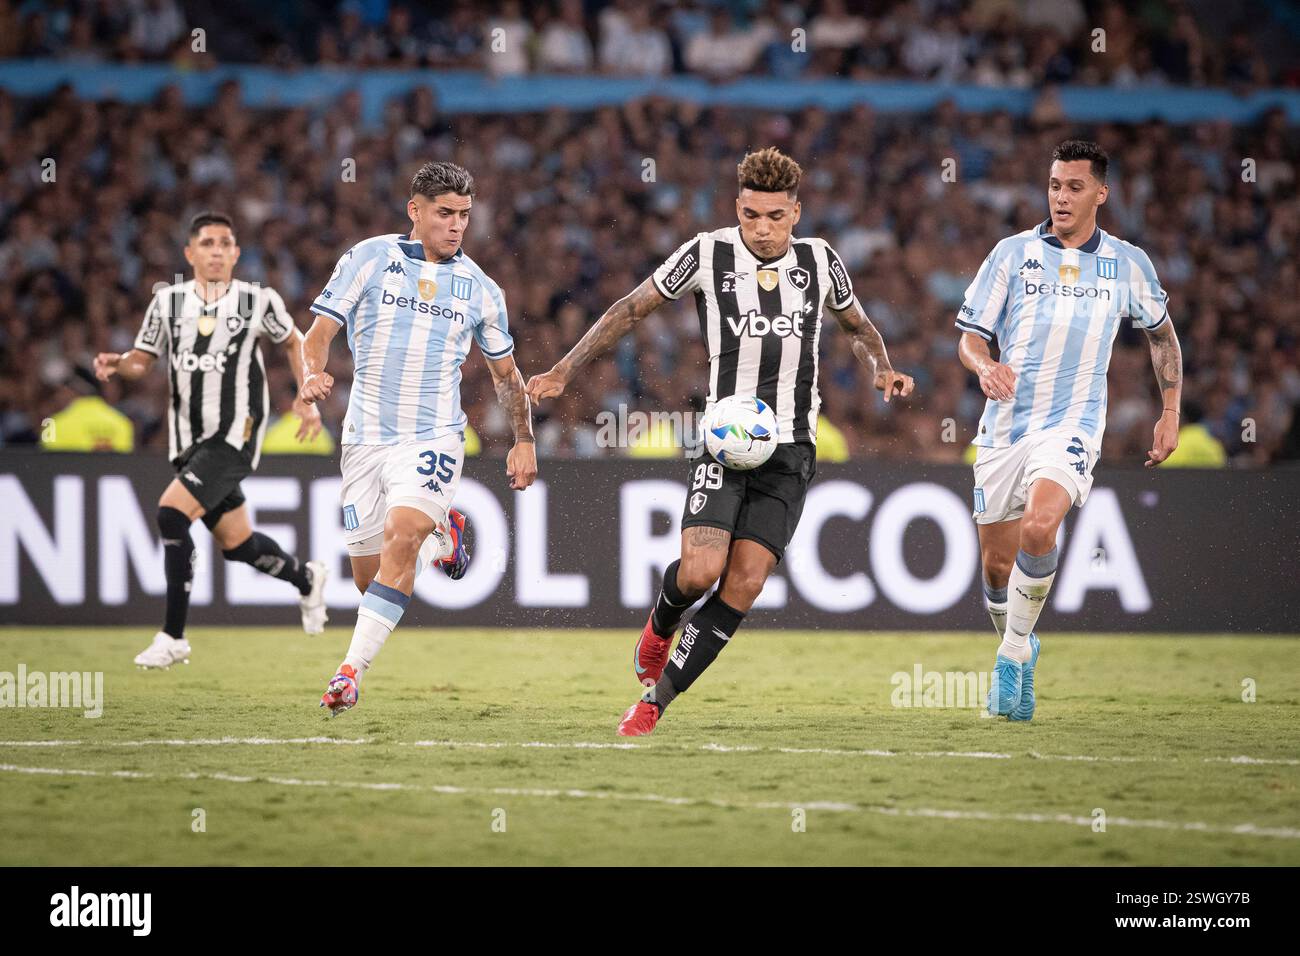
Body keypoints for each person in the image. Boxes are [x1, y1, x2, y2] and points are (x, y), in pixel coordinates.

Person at [527, 147, 914, 736]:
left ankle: (654, 703)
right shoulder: (708, 253)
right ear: (738, 208)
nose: (762, 229)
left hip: (790, 449)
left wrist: (882, 367)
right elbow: (632, 309)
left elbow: (858, 327)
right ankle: (661, 622)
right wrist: (563, 369)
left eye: (776, 217)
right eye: (752, 215)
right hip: (726, 443)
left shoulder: (821, 262)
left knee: (747, 581)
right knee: (701, 570)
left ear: (797, 214)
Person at [301, 160, 538, 716]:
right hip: (364, 440)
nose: (456, 225)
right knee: (371, 578)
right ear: (415, 210)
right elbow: (319, 333)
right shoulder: (368, 258)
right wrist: (312, 373)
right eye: (444, 213)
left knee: (401, 536)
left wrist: (523, 438)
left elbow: (505, 375)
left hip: (432, 435)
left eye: (464, 215)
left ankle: (348, 675)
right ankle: (444, 537)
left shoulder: (481, 289)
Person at [956, 140, 1182, 720]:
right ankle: (1022, 640)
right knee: (996, 567)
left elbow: (1161, 336)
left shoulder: (1129, 263)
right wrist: (986, 367)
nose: (1061, 196)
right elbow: (971, 338)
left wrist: (1171, 409)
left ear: (1101, 193)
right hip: (1005, 425)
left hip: (1072, 424)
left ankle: (1009, 657)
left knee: (1040, 524)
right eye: (1055, 185)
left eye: (1075, 187)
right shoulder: (1011, 254)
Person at [94, 212, 329, 669]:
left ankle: (174, 636)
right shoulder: (167, 303)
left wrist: (305, 397)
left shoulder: (257, 300)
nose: (217, 250)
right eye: (207, 243)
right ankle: (305, 578)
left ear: (236, 253)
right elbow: (142, 361)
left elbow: (293, 342)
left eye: (225, 243)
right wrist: (118, 364)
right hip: (188, 442)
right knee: (237, 545)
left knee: (170, 514)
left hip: (235, 432)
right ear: (190, 253)